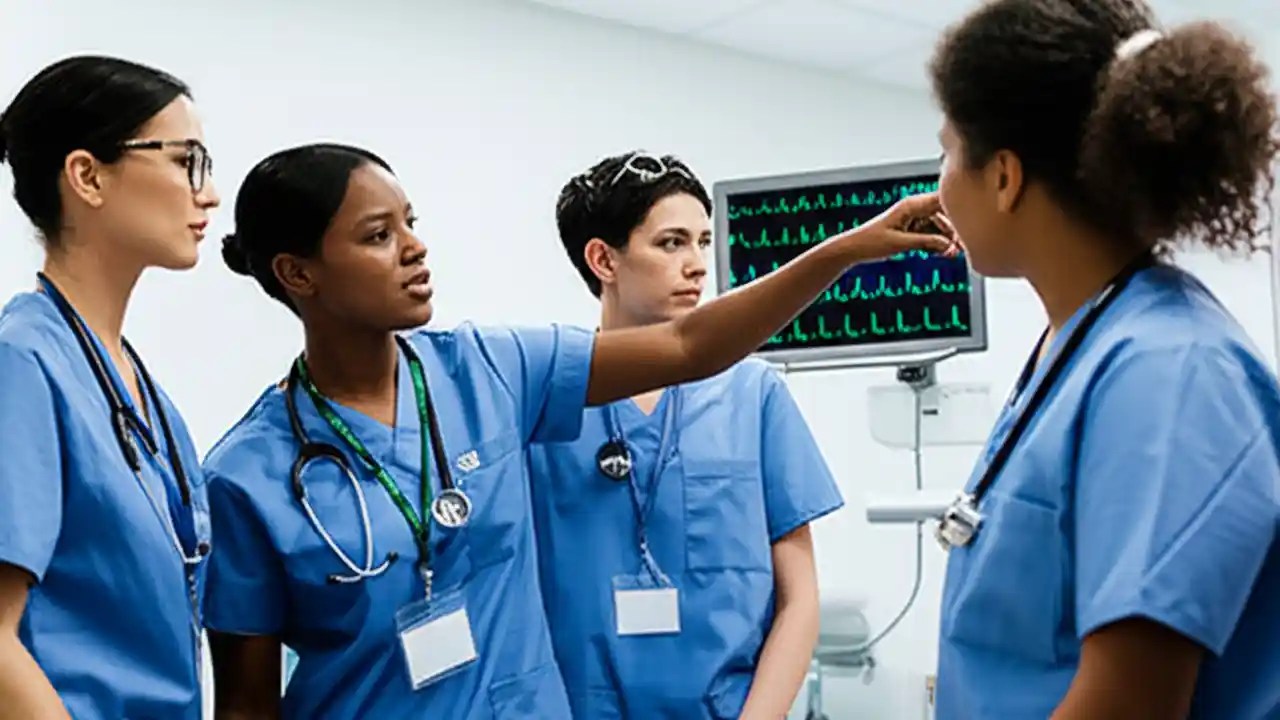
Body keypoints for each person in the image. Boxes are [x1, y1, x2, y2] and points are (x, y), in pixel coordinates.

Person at [201, 141, 954, 719]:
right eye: (377, 235)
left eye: (411, 224)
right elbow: (243, 704)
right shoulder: (248, 474)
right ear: (298, 274)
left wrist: (850, 248)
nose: (415, 247)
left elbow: (693, 347)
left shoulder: (494, 371)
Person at [927, 1, 1280, 717]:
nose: (938, 181)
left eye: (945, 149)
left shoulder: (1171, 372)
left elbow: (1129, 705)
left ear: (1003, 176)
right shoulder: (1086, 344)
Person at [525, 150, 842, 719]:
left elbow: (800, 597)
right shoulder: (544, 401)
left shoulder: (752, 394)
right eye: (672, 243)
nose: (697, 263)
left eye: (702, 240)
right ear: (603, 259)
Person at [0, 55, 220, 719]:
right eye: (187, 162)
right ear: (87, 176)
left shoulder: (139, 389)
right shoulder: (23, 365)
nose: (207, 193)